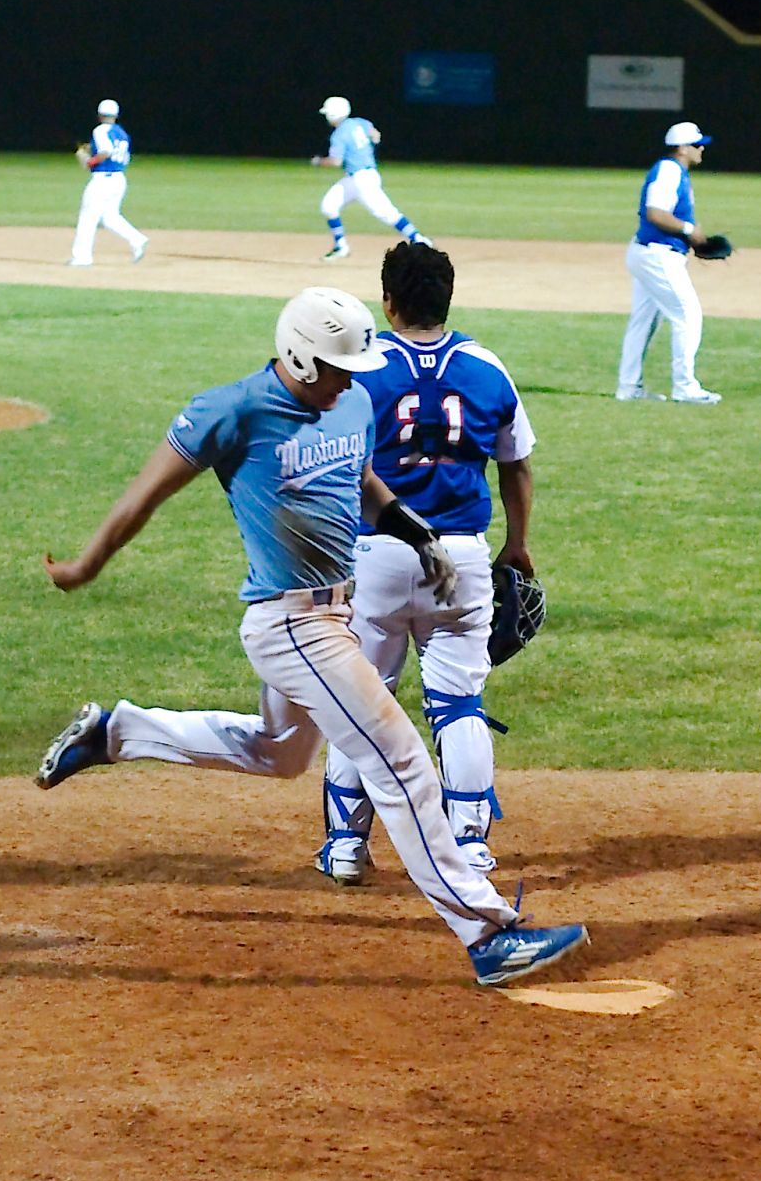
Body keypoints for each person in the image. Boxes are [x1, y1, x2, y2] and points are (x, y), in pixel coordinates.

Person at [33, 286, 587, 988]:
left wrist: (419, 536)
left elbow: (360, 479)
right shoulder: (230, 411)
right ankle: (485, 933)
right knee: (403, 760)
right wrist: (86, 566)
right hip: (287, 622)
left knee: (281, 752)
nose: (352, 380)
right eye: (338, 367)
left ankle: (114, 733)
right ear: (297, 356)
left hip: (338, 614)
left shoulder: (348, 400)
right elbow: (144, 495)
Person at [315, 243, 536, 887]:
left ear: (387, 300)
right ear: (448, 297)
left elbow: (327, 465)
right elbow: (516, 466)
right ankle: (469, 847)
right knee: (460, 703)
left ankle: (346, 848)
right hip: (461, 556)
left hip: (373, 553)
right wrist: (517, 545)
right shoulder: (486, 367)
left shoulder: (361, 366)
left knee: (361, 702)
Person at [616, 121, 721, 405]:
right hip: (656, 256)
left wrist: (694, 240)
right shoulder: (669, 170)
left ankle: (629, 388)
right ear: (683, 148)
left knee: (644, 321)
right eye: (698, 145)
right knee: (687, 316)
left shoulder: (675, 172)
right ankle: (685, 388)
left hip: (651, 253)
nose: (702, 149)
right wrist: (689, 231)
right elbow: (655, 213)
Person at [310, 96, 427, 262]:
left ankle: (419, 240)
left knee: (385, 213)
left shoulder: (339, 134)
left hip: (362, 179)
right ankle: (341, 246)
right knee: (329, 205)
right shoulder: (359, 122)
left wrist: (318, 162)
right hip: (358, 177)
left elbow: (335, 161)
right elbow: (375, 135)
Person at [68, 98, 149, 266]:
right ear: (116, 115)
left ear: (99, 114)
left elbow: (106, 151)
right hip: (119, 179)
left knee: (87, 218)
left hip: (102, 180)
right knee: (110, 218)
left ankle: (82, 257)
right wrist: (90, 150)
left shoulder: (100, 130)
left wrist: (89, 161)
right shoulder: (122, 133)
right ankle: (137, 239)